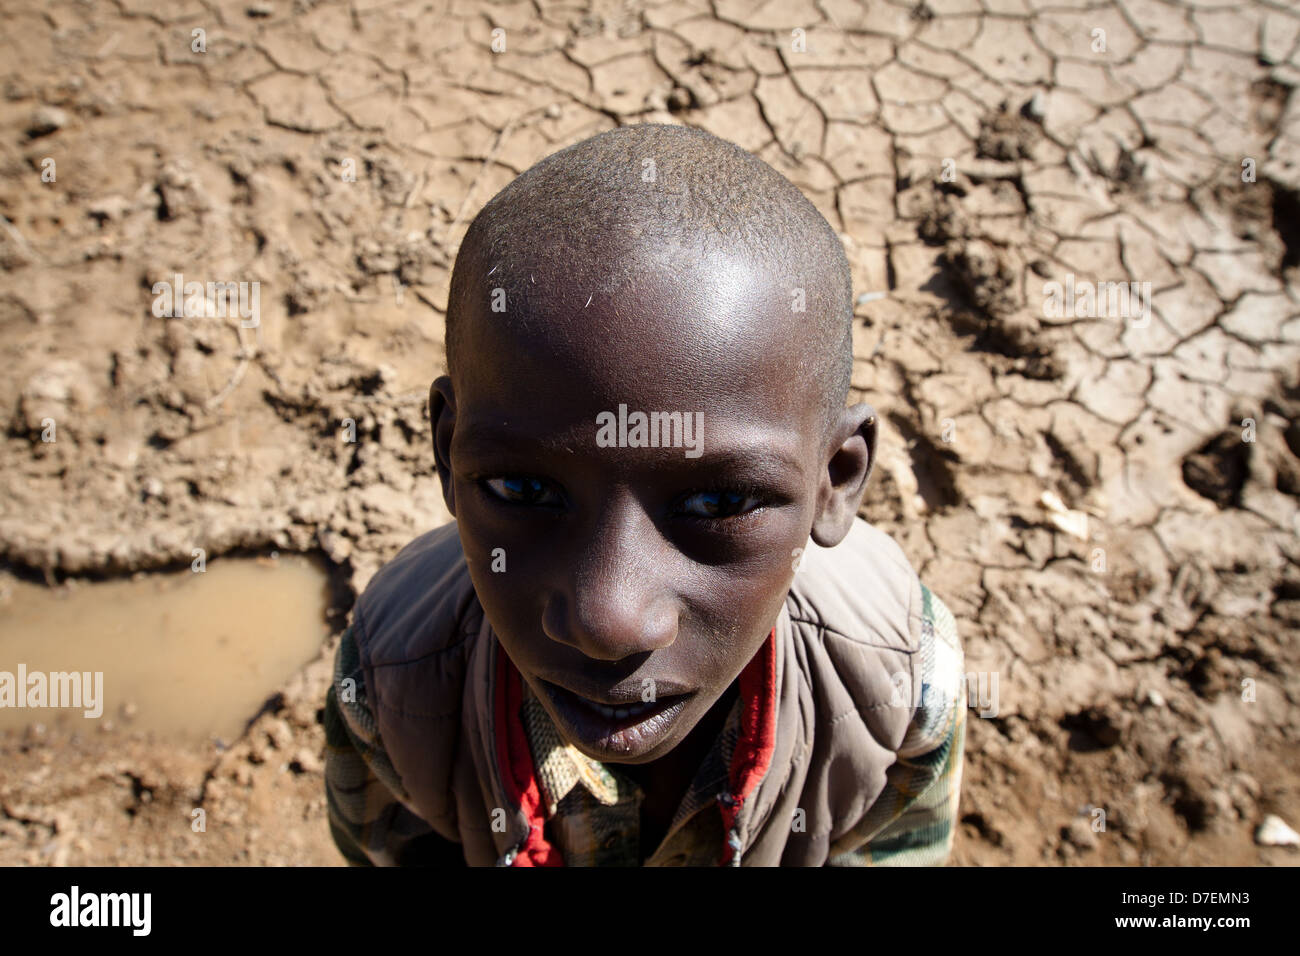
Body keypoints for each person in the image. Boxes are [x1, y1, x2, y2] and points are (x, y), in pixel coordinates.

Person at [323, 124, 966, 866]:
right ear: (445, 451)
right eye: (524, 489)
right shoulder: (392, 684)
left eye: (720, 505)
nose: (609, 620)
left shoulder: (895, 691)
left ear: (837, 479)